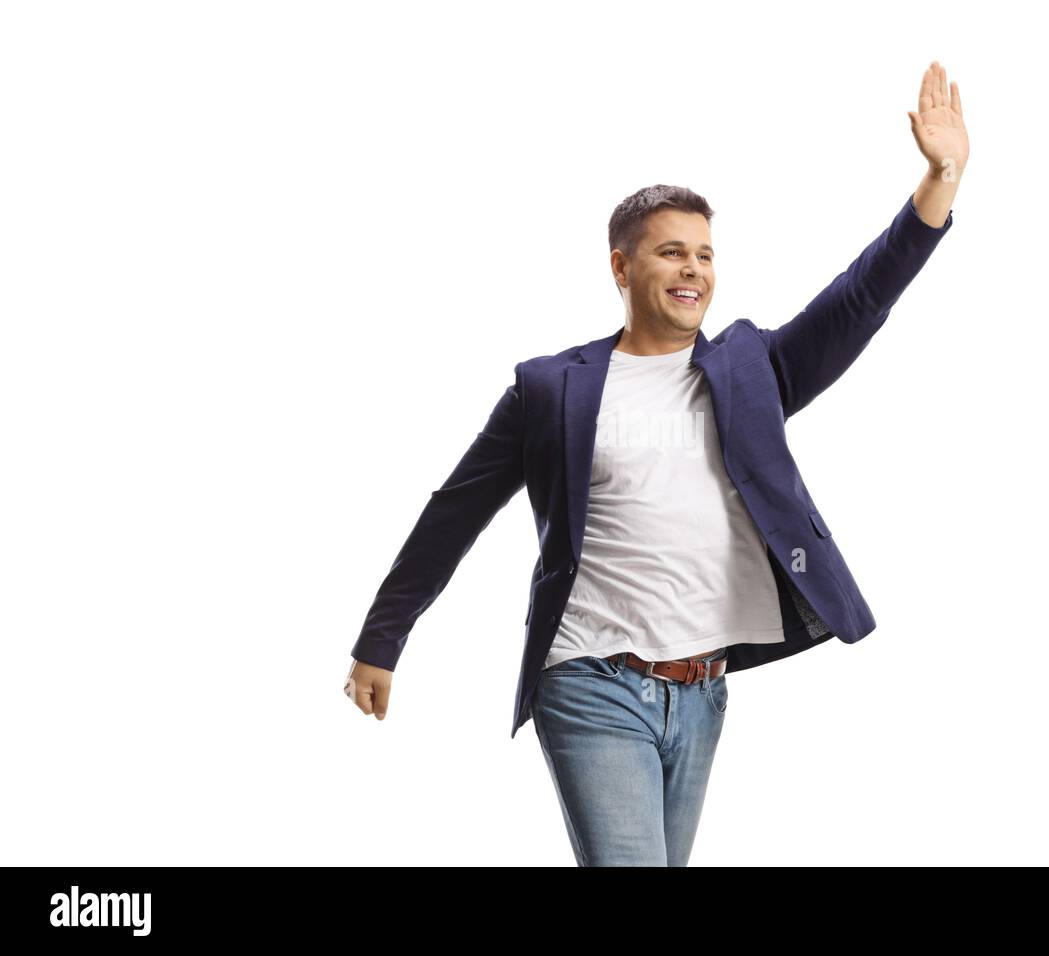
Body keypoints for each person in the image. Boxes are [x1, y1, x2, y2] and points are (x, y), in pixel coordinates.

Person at [344, 61, 968, 865]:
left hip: (701, 691)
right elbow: (455, 510)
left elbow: (860, 297)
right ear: (621, 267)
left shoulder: (751, 371)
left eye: (705, 256)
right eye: (672, 253)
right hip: (589, 679)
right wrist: (382, 638)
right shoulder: (550, 389)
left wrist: (940, 177)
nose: (693, 272)